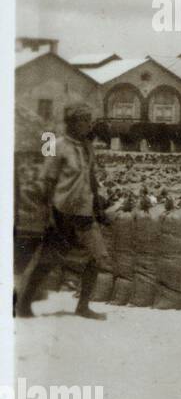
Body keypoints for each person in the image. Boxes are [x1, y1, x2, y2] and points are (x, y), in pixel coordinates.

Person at [15, 102, 110, 321]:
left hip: (84, 213)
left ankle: (83, 307)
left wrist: (98, 206)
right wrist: (48, 214)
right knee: (48, 260)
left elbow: (92, 178)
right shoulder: (57, 145)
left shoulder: (87, 148)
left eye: (88, 119)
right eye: (84, 120)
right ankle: (24, 304)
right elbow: (47, 182)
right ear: (73, 123)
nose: (88, 124)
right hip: (62, 212)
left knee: (96, 258)